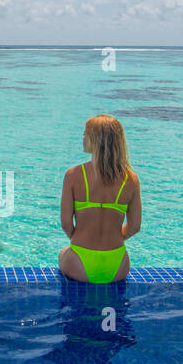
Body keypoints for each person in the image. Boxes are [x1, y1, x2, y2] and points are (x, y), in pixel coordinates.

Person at [57, 115, 141, 283]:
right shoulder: (131, 179)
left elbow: (66, 224)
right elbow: (134, 227)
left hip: (79, 263)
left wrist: (80, 239)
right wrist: (114, 238)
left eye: (85, 134)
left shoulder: (73, 175)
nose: (82, 139)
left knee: (63, 253)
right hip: (117, 264)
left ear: (95, 140)